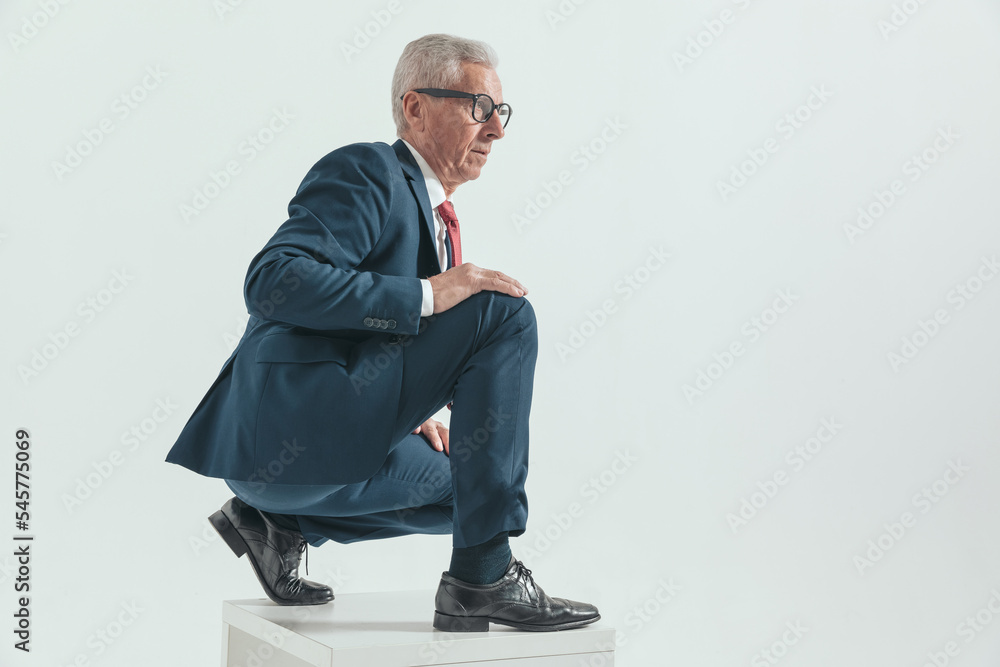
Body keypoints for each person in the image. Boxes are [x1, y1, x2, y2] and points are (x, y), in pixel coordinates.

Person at [166, 33, 599, 633]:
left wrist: (409, 401)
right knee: (502, 310)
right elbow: (273, 280)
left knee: (472, 491)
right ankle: (483, 578)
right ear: (415, 108)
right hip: (286, 433)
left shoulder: (439, 223)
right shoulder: (371, 171)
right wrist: (427, 294)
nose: (496, 129)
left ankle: (273, 525)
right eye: (479, 108)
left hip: (312, 467)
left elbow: (380, 335)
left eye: (501, 112)